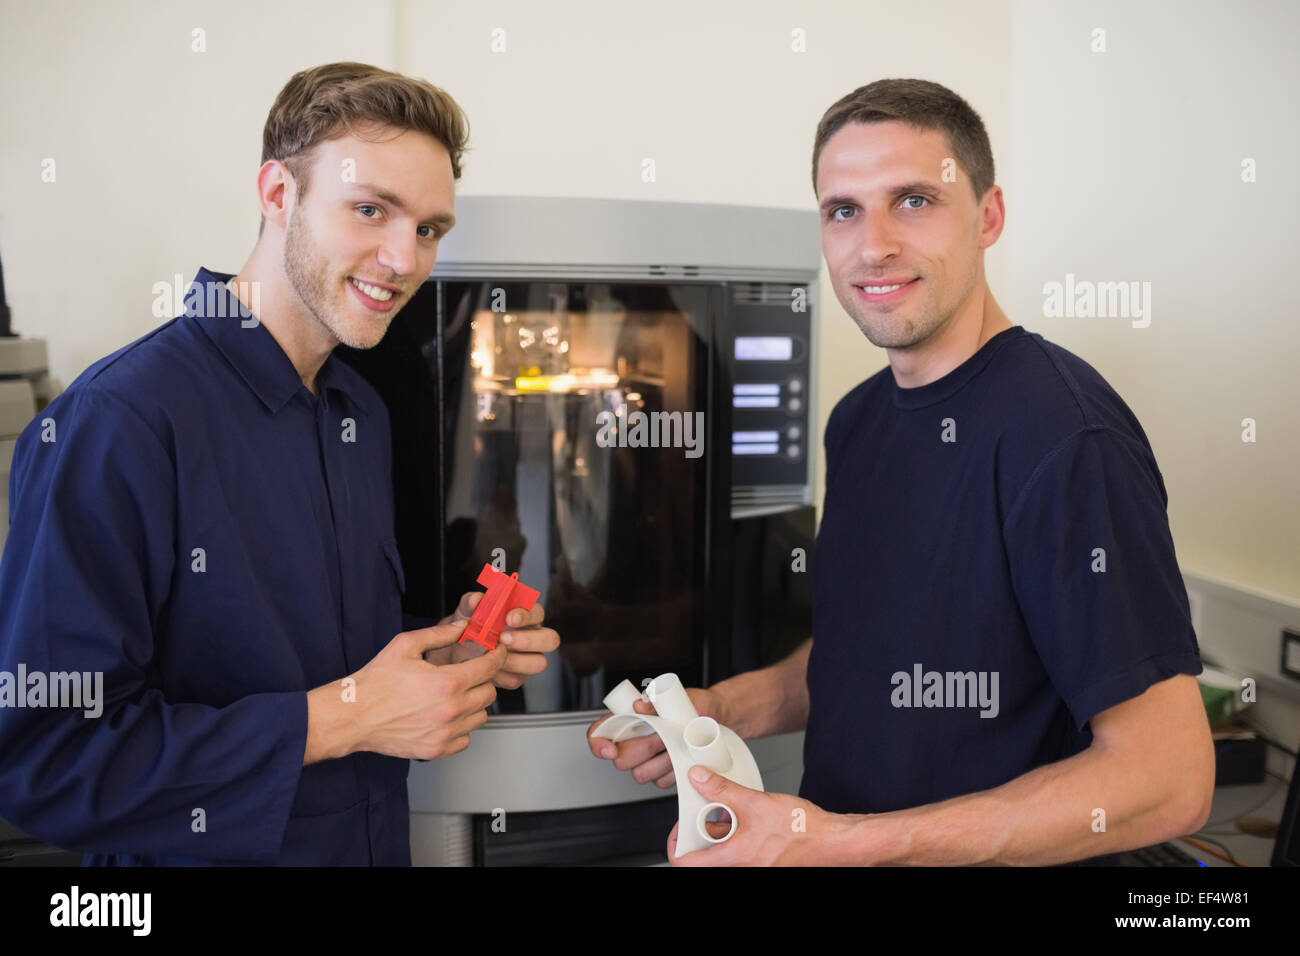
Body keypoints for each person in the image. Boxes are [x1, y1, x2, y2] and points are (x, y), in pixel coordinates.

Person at [590, 78, 1214, 865]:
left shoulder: (1065, 437)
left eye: (914, 200)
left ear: (988, 217)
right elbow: (867, 656)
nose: (873, 243)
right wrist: (716, 713)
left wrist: (846, 843)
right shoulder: (858, 420)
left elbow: (1169, 777)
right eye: (843, 210)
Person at [0, 62, 559, 865]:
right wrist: (353, 715)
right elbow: (47, 762)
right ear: (277, 194)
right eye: (371, 210)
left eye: (431, 229)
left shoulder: (356, 411)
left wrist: (443, 655)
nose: (404, 259)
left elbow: (310, 659)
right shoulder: (118, 421)